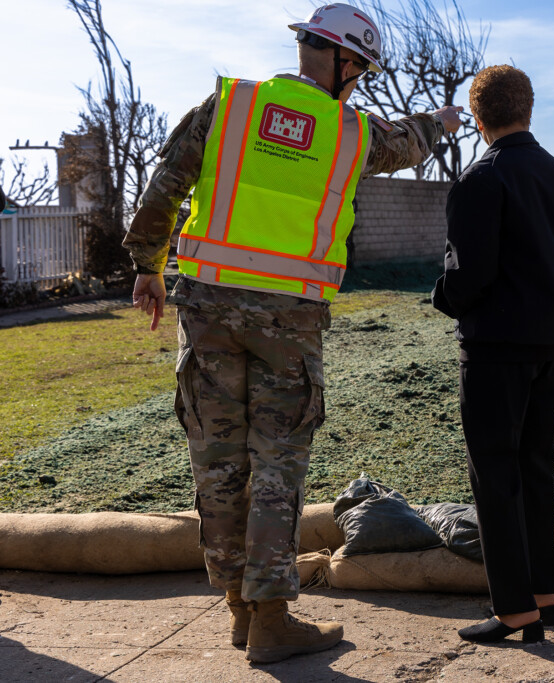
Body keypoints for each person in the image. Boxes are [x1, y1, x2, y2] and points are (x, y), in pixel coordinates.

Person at [123, 3, 462, 664]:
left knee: (219, 462)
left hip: (210, 310)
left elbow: (165, 184)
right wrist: (441, 122)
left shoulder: (230, 108)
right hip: (289, 322)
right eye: (360, 70)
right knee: (276, 466)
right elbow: (406, 143)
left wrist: (146, 267)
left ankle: (240, 614)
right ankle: (272, 621)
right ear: (347, 63)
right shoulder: (350, 133)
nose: (359, 82)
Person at [431, 65, 554, 644]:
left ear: (476, 117)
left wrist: (442, 294)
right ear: (529, 108)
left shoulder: (480, 180)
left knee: (495, 474)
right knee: (536, 468)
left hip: (495, 348)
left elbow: (467, 277)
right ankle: (545, 596)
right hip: (551, 342)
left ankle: (515, 609)